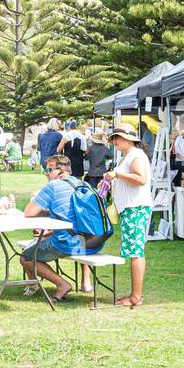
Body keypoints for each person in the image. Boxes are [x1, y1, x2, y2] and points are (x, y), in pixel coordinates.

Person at [21, 154, 103, 304]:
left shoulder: (53, 186)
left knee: (26, 257)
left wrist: (35, 198)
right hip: (94, 243)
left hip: (69, 244)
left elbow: (28, 213)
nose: (45, 172)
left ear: (59, 171)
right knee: (46, 239)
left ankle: (61, 284)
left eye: (48, 169)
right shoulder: (84, 185)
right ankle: (83, 283)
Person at [104, 125, 153, 307]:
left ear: (129, 139)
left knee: (135, 252)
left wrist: (117, 174)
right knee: (134, 251)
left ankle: (136, 297)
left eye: (118, 137)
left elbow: (140, 179)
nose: (115, 141)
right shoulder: (129, 156)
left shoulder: (136, 155)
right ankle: (135, 294)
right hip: (131, 208)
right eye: (114, 138)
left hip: (136, 208)